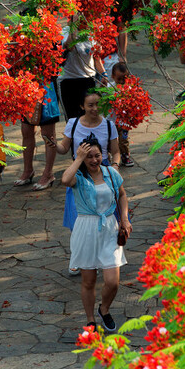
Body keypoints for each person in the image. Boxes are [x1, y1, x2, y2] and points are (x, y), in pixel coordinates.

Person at [61, 136, 131, 333]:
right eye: (88, 156)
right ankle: (90, 319)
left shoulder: (111, 173)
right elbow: (65, 180)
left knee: (112, 281)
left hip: (110, 228)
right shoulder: (78, 177)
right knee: (89, 280)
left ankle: (104, 309)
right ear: (81, 158)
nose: (94, 160)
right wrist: (77, 159)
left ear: (104, 155)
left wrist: (124, 219)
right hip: (86, 230)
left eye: (97, 155)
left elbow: (122, 194)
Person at [57, 89, 120, 274]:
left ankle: (103, 256)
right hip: (80, 175)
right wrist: (53, 144)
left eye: (98, 104)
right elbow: (63, 148)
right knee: (77, 218)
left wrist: (115, 167)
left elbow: (116, 151)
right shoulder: (73, 123)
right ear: (81, 106)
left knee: (106, 217)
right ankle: (78, 256)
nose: (94, 109)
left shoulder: (109, 125)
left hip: (103, 174)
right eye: (90, 105)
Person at [59, 20, 105, 121]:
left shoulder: (92, 33)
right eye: (83, 20)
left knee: (90, 116)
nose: (87, 22)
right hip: (69, 81)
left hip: (88, 80)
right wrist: (73, 24)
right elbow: (69, 46)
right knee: (73, 119)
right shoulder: (66, 31)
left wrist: (103, 74)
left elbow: (96, 57)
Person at [17, 82, 59, 190]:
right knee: (26, 131)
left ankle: (48, 174)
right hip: (27, 87)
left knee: (47, 135)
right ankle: (28, 171)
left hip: (47, 89)